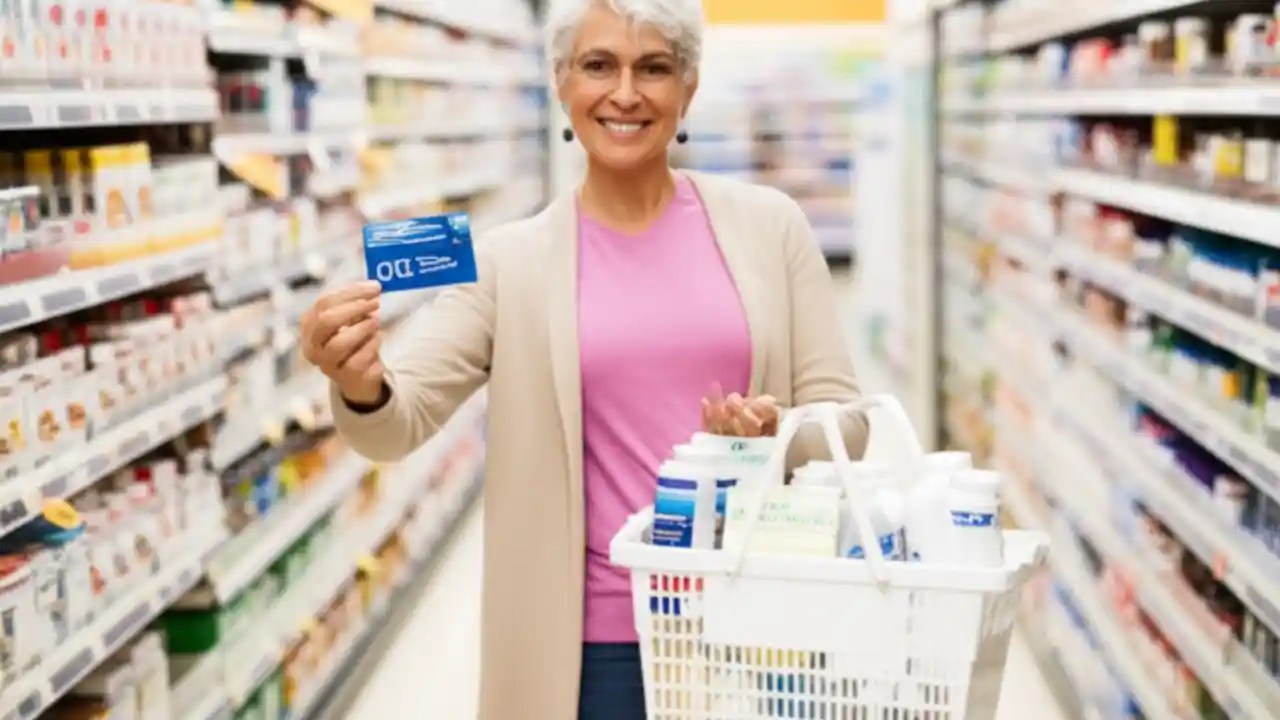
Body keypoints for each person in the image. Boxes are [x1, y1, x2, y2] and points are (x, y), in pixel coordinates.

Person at [299, 0, 869, 717]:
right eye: (598, 65)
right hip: (593, 646)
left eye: (654, 68)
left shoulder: (770, 227)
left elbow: (846, 419)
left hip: (753, 621)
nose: (625, 93)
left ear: (687, 87)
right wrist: (359, 383)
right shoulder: (509, 262)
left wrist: (774, 431)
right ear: (562, 83)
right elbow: (397, 422)